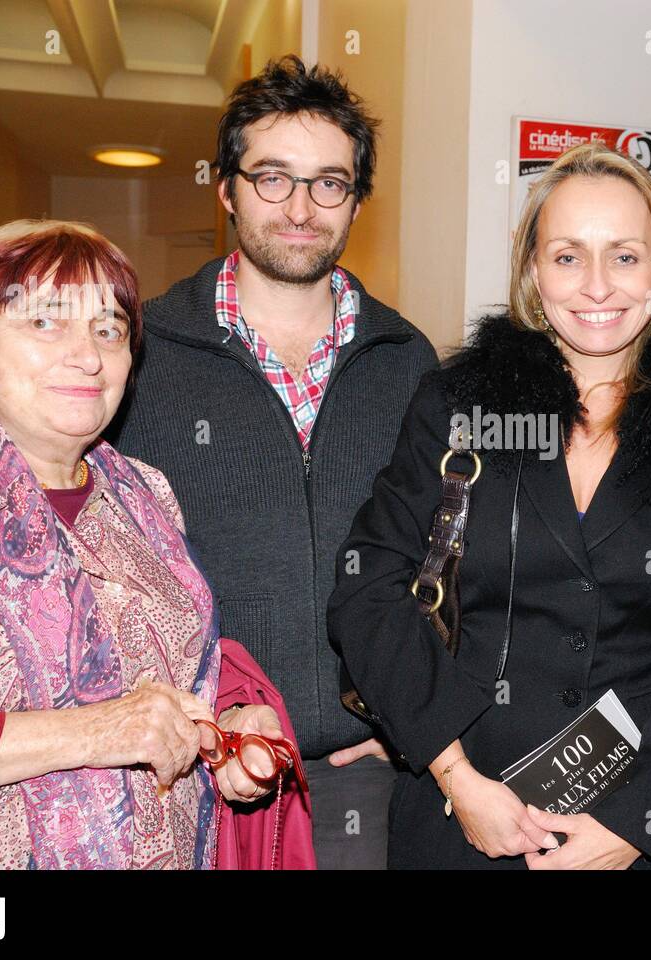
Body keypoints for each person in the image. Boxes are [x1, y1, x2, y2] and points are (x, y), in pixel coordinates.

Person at [328, 142, 651, 870]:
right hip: (465, 817)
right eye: (569, 256)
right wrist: (456, 777)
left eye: (626, 257)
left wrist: (640, 824)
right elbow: (368, 589)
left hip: (638, 828)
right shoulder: (461, 404)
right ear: (534, 272)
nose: (597, 285)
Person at [0, 220, 297, 869]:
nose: (87, 355)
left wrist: (223, 736)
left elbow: (167, 684)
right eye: (45, 323)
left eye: (109, 329)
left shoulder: (142, 494)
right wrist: (96, 731)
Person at [108, 55, 437, 869]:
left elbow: (454, 557)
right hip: (191, 774)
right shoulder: (137, 353)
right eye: (272, 178)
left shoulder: (408, 361)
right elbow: (100, 560)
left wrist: (412, 719)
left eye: (329, 183)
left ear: (357, 199)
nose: (299, 208)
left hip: (371, 781)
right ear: (226, 189)